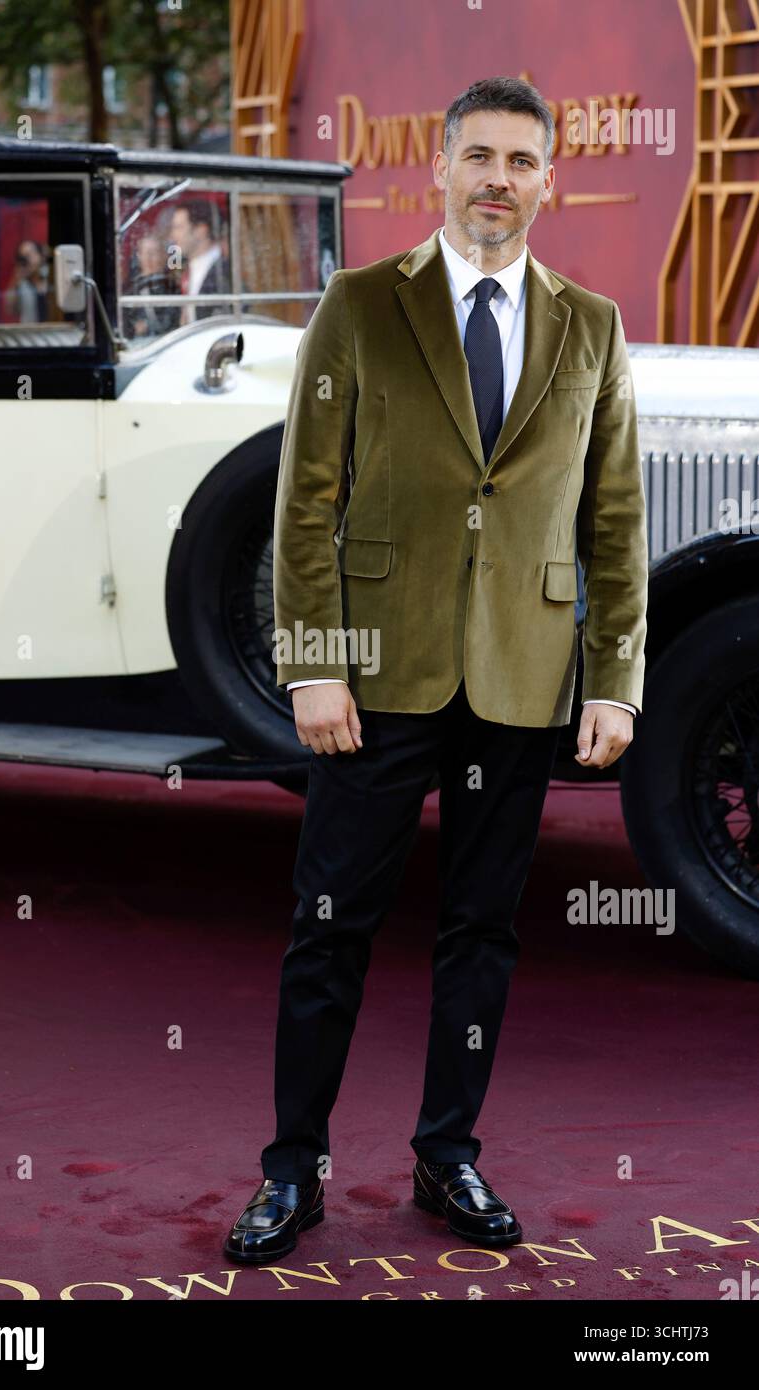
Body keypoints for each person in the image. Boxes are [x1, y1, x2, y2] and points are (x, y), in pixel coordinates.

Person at [223, 75, 648, 1264]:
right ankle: (290, 1169)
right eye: (478, 157)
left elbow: (611, 515)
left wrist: (611, 681)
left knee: (480, 932)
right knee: (328, 924)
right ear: (439, 169)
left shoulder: (592, 325)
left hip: (519, 680)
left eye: (521, 160)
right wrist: (311, 664)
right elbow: (303, 502)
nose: (497, 180)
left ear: (546, 181)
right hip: (371, 680)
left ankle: (445, 1153)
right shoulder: (360, 306)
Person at [168, 199, 231, 324]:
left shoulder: (225, 271)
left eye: (179, 228)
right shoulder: (186, 268)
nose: (172, 236)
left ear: (201, 230)